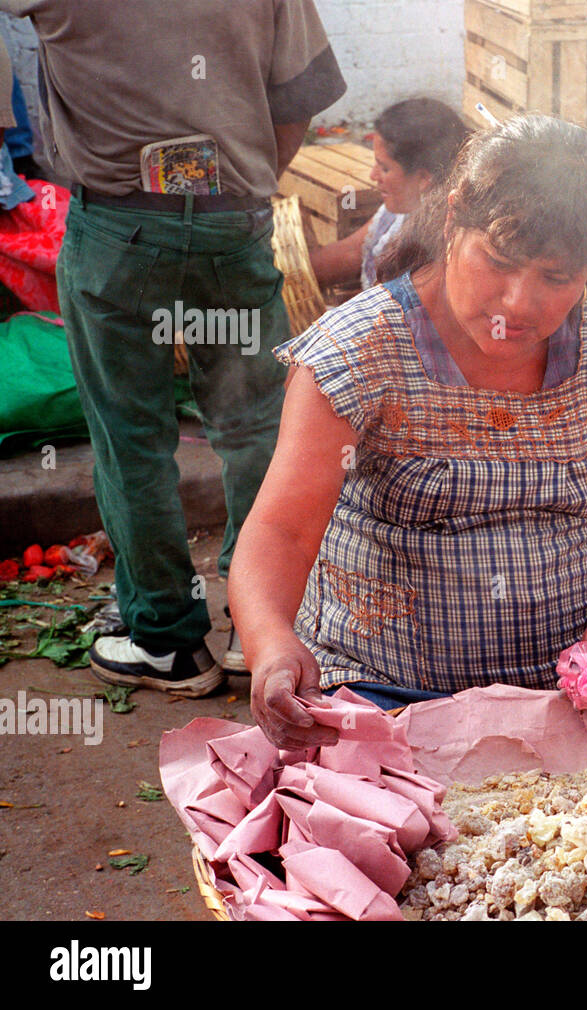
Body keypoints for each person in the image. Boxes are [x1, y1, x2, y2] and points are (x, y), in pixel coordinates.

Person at [229, 116, 587, 750]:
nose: (517, 303)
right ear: (454, 219)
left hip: (584, 698)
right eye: (498, 262)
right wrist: (271, 644)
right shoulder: (358, 352)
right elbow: (280, 531)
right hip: (389, 694)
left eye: (557, 278)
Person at [0, 0, 347, 697]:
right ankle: (262, 629)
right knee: (258, 431)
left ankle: (166, 639)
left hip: (118, 227)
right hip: (233, 220)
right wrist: (240, 190)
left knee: (132, 439)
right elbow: (300, 98)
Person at [309, 97, 468, 291]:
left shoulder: (438, 246)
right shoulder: (403, 208)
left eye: (384, 168)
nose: (373, 175)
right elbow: (351, 251)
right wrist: (283, 275)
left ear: (424, 178)